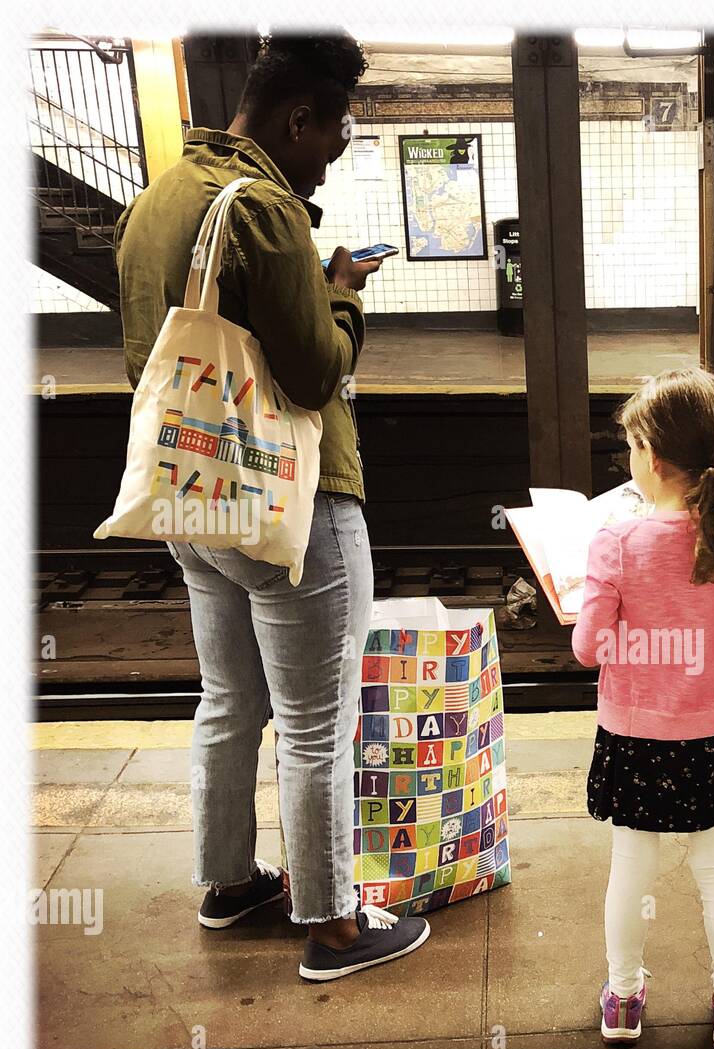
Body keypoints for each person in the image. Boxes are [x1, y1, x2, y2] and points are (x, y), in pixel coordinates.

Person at [115, 33, 431, 981]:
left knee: (227, 701)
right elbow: (313, 369)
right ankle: (334, 924)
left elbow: (150, 352)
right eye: (334, 135)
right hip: (289, 504)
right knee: (316, 724)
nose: (334, 152)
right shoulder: (263, 211)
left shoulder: (158, 199)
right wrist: (342, 295)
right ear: (299, 118)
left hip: (192, 493)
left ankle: (226, 882)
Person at [572, 368, 714, 1049]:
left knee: (630, 870)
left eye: (631, 447)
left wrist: (587, 592)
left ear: (653, 460)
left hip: (635, 739)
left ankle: (625, 999)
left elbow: (588, 648)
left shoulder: (615, 542)